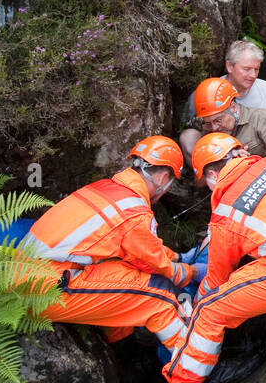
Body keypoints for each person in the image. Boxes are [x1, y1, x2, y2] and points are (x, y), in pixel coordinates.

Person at [154, 132, 266, 383]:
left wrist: (195, 304)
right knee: (242, 282)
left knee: (210, 310)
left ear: (211, 174)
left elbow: (217, 278)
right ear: (239, 153)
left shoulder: (226, 212)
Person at [19, 135, 193, 360]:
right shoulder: (135, 210)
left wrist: (177, 256)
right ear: (163, 176)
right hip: (47, 286)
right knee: (160, 295)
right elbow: (152, 263)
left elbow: (136, 247)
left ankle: (126, 355)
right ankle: (190, 372)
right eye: (170, 182)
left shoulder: (104, 189)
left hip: (25, 273)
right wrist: (189, 271)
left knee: (127, 276)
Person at [178, 40, 266, 162]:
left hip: (255, 148)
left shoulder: (264, 89)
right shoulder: (207, 92)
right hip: (217, 148)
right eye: (246, 69)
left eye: (256, 69)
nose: (253, 75)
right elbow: (190, 126)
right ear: (229, 66)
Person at [182, 76, 266, 160]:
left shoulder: (262, 119)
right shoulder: (208, 132)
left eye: (218, 120)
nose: (214, 128)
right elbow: (201, 179)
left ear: (233, 107)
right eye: (207, 123)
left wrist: (247, 162)